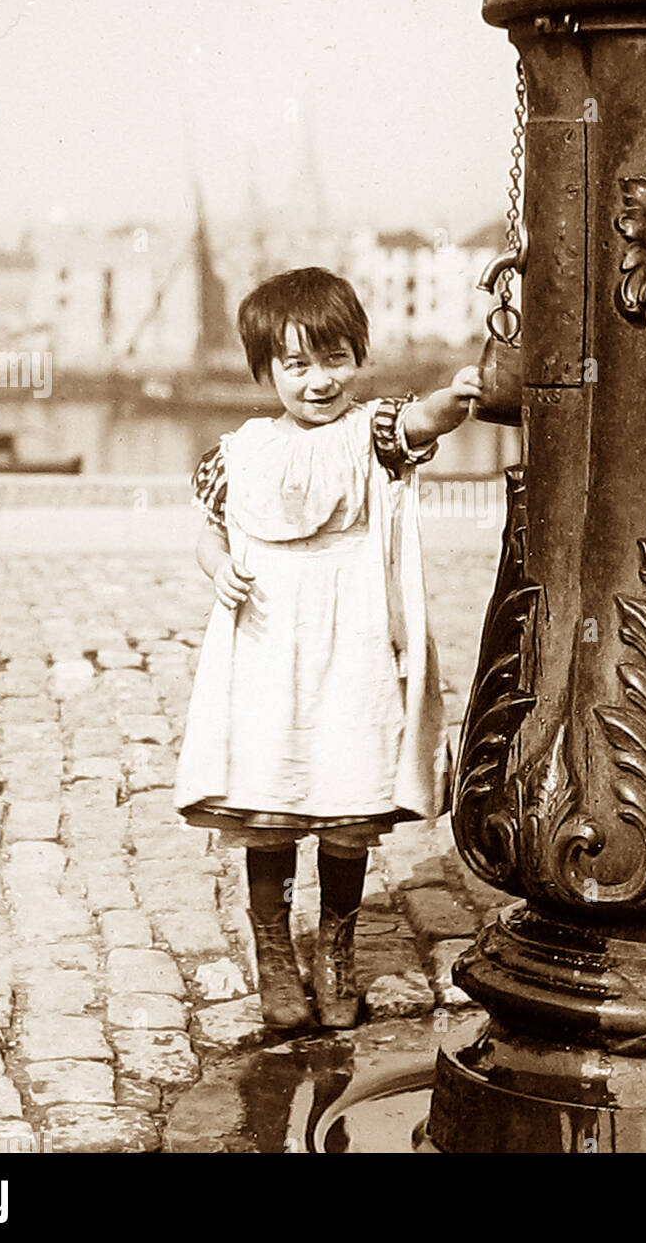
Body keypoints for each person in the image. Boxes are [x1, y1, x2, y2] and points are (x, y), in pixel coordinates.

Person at [174, 267, 480, 1031]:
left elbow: (422, 421)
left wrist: (457, 394)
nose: (318, 381)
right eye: (297, 365)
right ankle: (276, 955)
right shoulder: (236, 453)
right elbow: (208, 532)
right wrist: (222, 574)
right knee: (271, 807)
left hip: (351, 646)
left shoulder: (369, 432)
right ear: (267, 370)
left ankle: (336, 951)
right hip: (269, 644)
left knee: (347, 805)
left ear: (358, 358)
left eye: (335, 359)